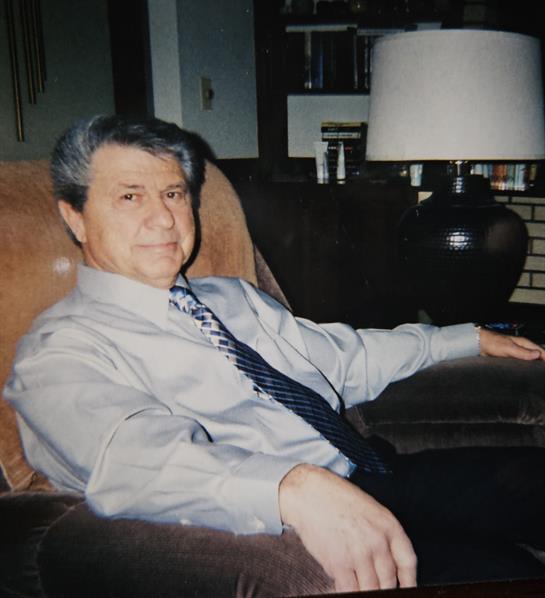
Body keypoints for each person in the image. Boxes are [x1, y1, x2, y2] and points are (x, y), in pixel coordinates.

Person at [5, 115, 545, 594]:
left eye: (173, 194)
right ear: (75, 217)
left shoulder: (230, 298)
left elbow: (345, 357)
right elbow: (132, 458)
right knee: (503, 572)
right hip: (287, 523)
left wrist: (462, 337)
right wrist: (292, 488)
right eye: (130, 197)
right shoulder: (59, 352)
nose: (164, 219)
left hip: (371, 471)